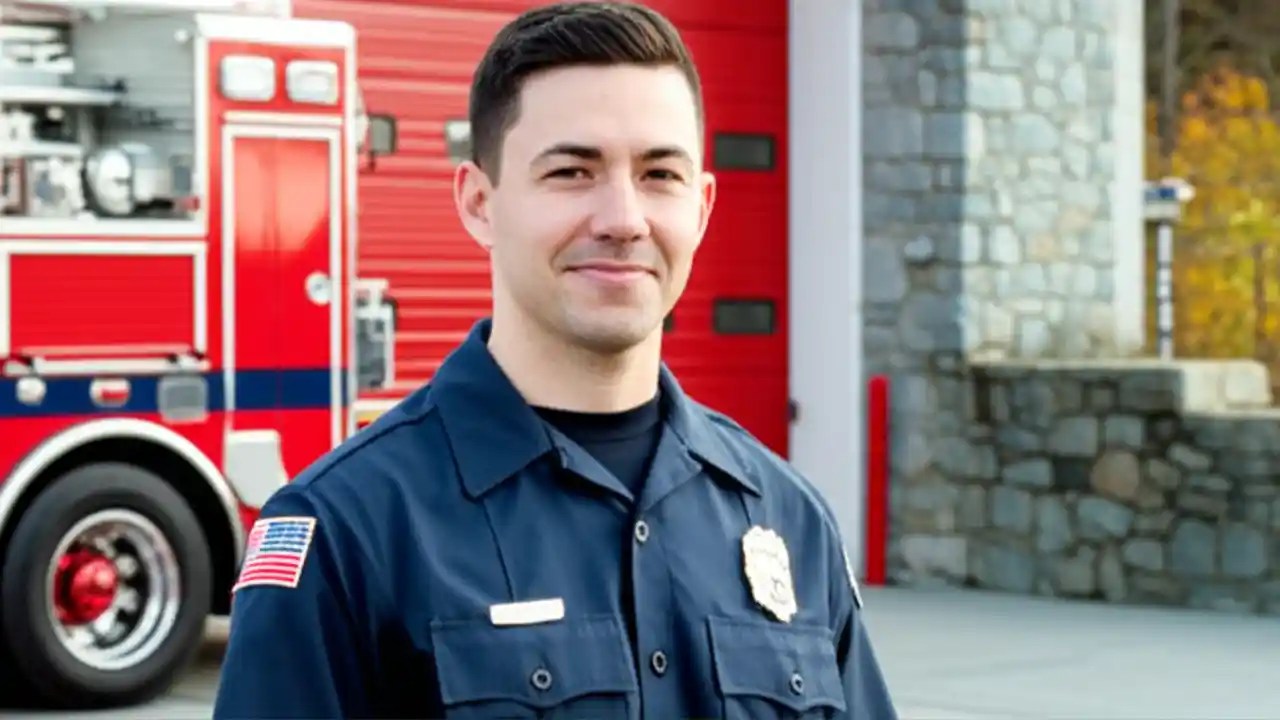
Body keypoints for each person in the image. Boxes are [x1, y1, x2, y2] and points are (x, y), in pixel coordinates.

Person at [213, 2, 897, 718]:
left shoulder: (789, 518)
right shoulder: (350, 531)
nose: (623, 219)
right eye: (573, 171)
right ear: (480, 202)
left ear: (701, 207)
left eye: (659, 174)